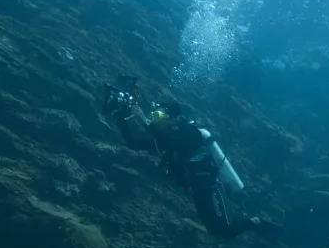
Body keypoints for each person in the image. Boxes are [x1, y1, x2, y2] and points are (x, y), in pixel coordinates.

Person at [102, 76, 274, 239]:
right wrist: (120, 119)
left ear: (172, 118)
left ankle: (255, 222)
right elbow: (134, 143)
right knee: (215, 231)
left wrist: (144, 121)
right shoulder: (166, 139)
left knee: (225, 230)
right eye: (153, 117)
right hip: (196, 191)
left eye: (158, 116)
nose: (155, 121)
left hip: (209, 186)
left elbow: (172, 140)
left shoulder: (191, 132)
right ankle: (247, 219)